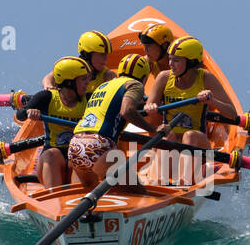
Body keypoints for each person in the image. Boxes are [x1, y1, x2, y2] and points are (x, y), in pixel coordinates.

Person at [144, 36, 236, 183]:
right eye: (170, 59)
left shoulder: (206, 79)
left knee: (190, 135)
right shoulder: (164, 78)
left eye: (176, 60)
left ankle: (183, 182)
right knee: (166, 132)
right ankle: (157, 181)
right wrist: (150, 107)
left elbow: (232, 113)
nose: (170, 64)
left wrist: (212, 100)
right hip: (171, 143)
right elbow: (148, 107)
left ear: (191, 62)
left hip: (198, 146)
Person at [67, 60, 157, 188]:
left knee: (89, 190)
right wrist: (153, 128)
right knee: (136, 191)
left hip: (75, 144)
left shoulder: (103, 86)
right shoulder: (135, 85)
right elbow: (127, 111)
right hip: (99, 146)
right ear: (144, 77)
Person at [16, 57, 92, 187]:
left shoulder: (90, 99)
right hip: (52, 161)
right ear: (69, 82)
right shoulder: (46, 97)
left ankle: (79, 198)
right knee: (53, 154)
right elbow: (20, 114)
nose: (87, 83)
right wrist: (31, 112)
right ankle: (54, 198)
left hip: (77, 160)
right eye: (83, 79)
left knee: (80, 153)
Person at [41, 30, 115, 92]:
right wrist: (49, 86)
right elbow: (48, 78)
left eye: (106, 54)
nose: (105, 58)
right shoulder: (72, 66)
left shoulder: (107, 75)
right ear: (87, 54)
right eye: (101, 54)